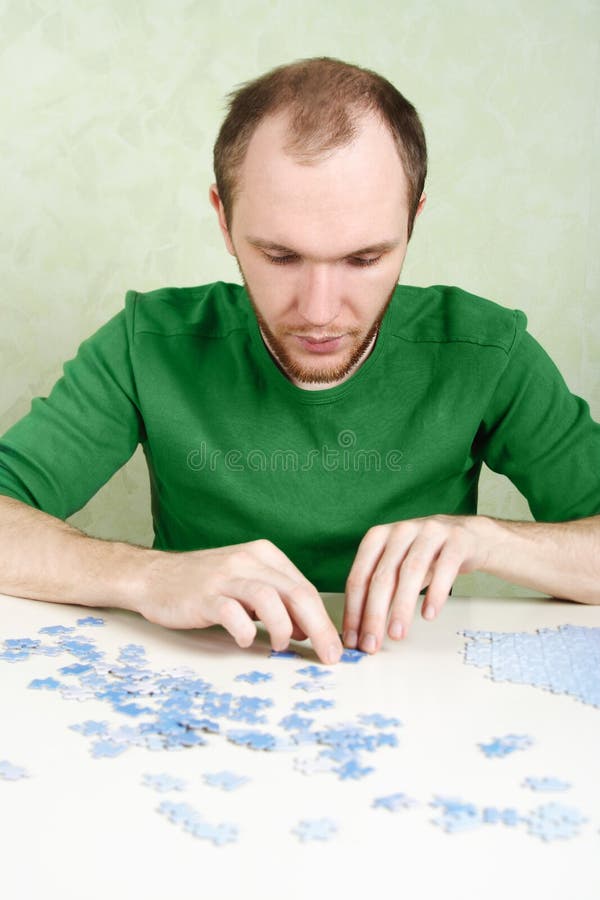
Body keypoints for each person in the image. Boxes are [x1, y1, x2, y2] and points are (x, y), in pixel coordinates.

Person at [1, 57, 599, 665]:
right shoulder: (147, 342)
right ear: (224, 220)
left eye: (364, 259)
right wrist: (146, 576)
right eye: (281, 256)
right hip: (202, 687)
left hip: (417, 692)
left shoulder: (486, 350)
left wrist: (488, 541)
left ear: (413, 219)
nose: (319, 312)